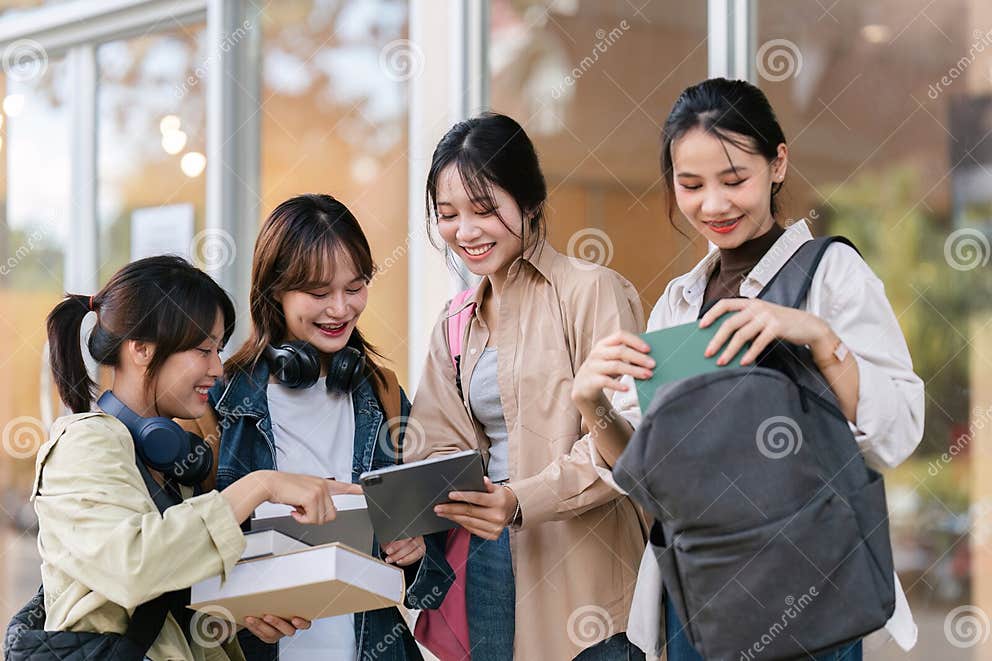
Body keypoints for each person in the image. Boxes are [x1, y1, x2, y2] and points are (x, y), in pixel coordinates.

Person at [571, 77, 924, 660]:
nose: (713, 205)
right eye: (691, 185)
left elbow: (898, 433)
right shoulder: (679, 303)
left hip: (812, 590)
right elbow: (649, 481)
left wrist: (818, 337)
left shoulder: (831, 273)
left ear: (777, 163)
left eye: (734, 180)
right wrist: (592, 404)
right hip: (699, 598)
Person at [410, 112, 649, 660]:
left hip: (587, 570)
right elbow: (434, 444)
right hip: (487, 561)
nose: (465, 232)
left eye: (484, 210)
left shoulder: (593, 290)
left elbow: (625, 440)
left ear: (531, 202)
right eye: (447, 215)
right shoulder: (455, 322)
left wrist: (521, 500)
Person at [180, 194, 452, 661]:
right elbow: (178, 558)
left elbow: (429, 581)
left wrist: (418, 552)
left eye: (355, 287)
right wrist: (236, 610)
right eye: (320, 294)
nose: (341, 309)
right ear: (275, 291)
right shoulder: (218, 404)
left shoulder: (383, 394)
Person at [35, 255, 345, 661]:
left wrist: (241, 615)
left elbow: (170, 608)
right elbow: (134, 568)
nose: (217, 368)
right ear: (141, 348)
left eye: (219, 350)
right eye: (203, 350)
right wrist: (260, 485)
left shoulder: (171, 459)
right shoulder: (82, 445)